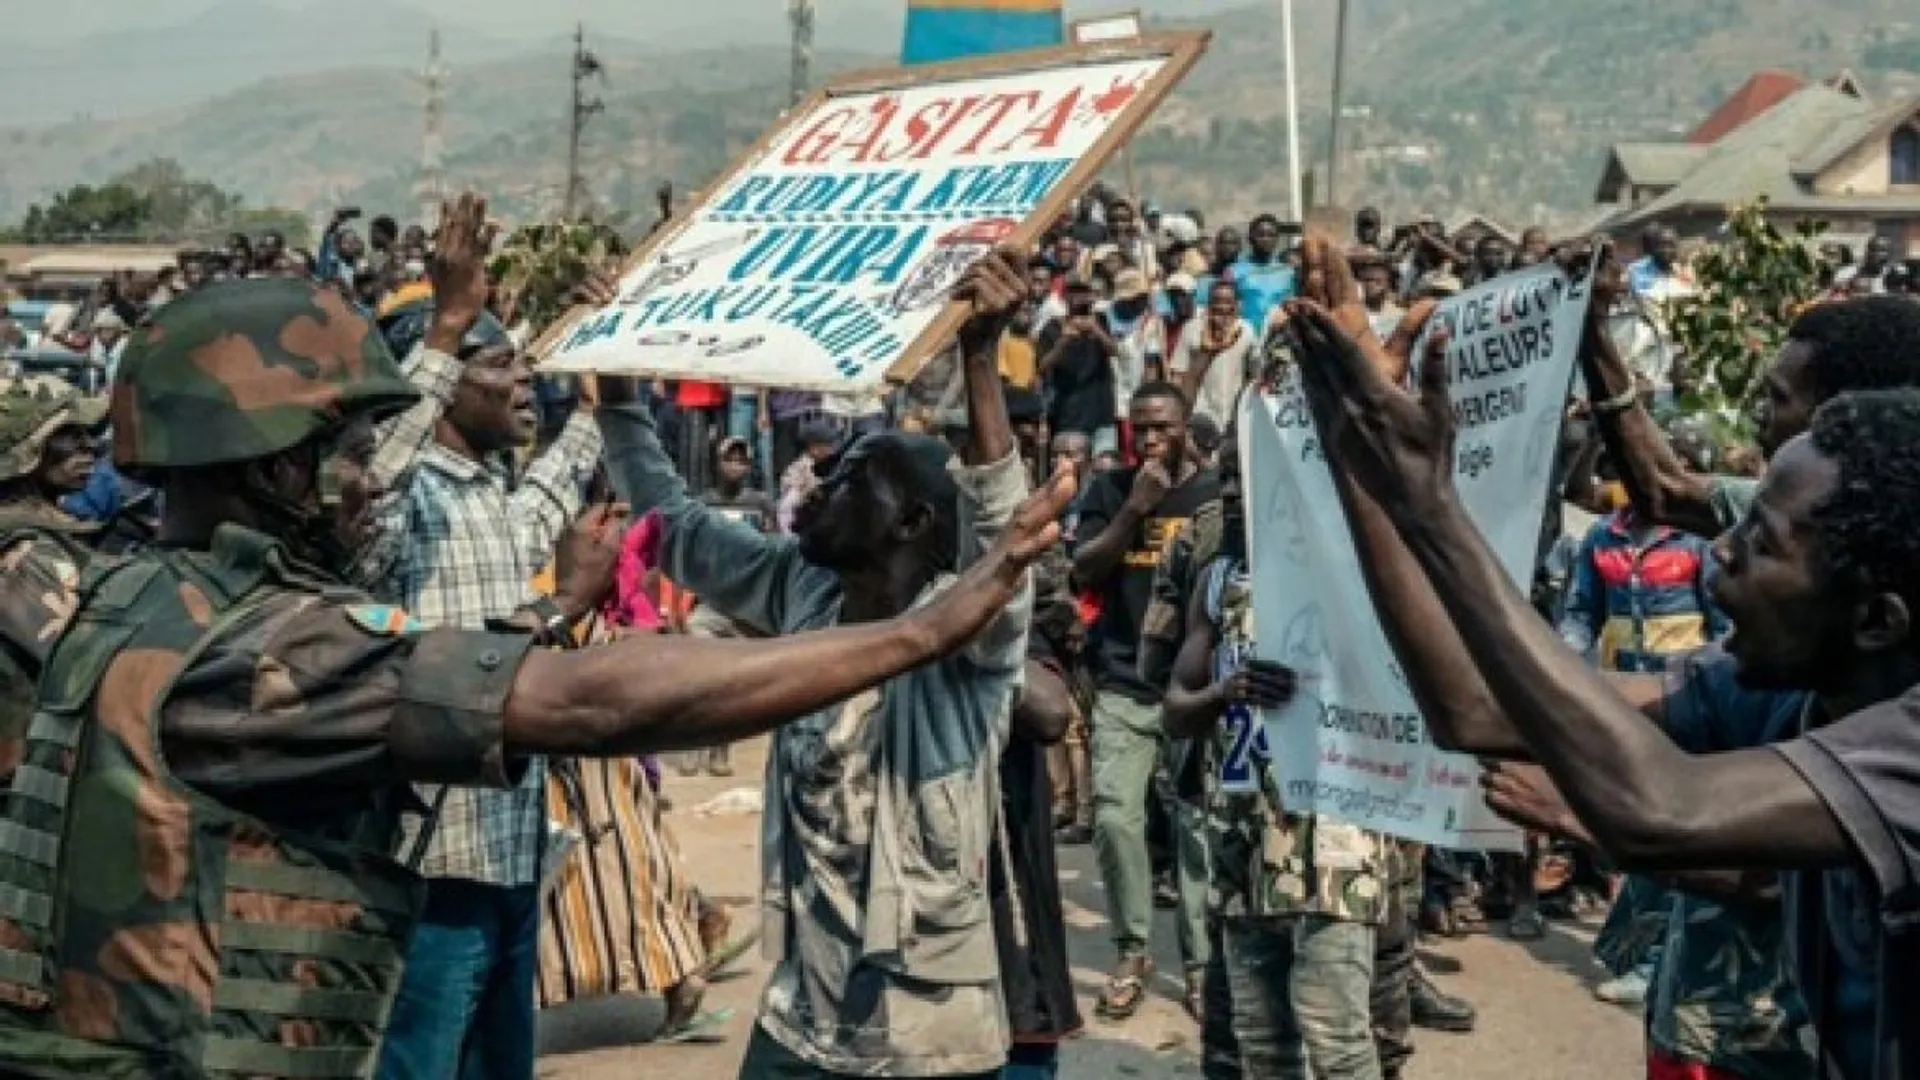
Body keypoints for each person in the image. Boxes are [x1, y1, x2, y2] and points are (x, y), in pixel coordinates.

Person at [0, 273, 1070, 1080]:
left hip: (917, 1022)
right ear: (281, 470)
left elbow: (988, 546)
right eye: (353, 451)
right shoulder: (272, 641)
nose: (373, 479)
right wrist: (919, 637)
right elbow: (589, 700)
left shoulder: (119, 591)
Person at [1285, 271, 1919, 1080]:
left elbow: (1662, 810)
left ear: (1876, 619)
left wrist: (1431, 507)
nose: (1715, 551)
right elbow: (1474, 708)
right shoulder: (1789, 687)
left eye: (1757, 544)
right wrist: (1368, 469)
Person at [602, 247, 1065, 1078]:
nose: (817, 482)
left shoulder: (965, 632)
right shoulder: (800, 588)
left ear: (913, 522)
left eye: (852, 479)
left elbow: (1003, 545)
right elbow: (669, 520)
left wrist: (980, 360)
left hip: (927, 1034)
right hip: (800, 1018)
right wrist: (613, 380)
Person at [349, 195, 610, 1080]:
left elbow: (551, 497)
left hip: (509, 846)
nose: (521, 379)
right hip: (436, 863)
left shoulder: (489, 490)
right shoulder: (404, 498)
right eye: (499, 363)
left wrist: (604, 370)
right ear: (447, 379)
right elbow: (369, 483)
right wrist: (449, 320)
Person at [1163, 425, 1390, 1080]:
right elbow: (1175, 710)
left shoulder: (1348, 569)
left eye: (1246, 476)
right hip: (1240, 845)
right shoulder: (1216, 579)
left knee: (1337, 1040)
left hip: (1332, 848)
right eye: (1224, 475)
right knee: (1263, 1044)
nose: (1230, 492)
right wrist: (1222, 693)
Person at [1074, 381, 1220, 1021]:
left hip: (1196, 691)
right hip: (1123, 682)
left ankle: (1201, 967)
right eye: (1142, 428)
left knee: (1196, 833)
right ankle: (1132, 951)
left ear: (1187, 426)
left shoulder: (1217, 496)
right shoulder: (1110, 491)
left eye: (1164, 426)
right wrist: (1135, 510)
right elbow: (1083, 571)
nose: (1152, 438)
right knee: (1114, 818)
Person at [0, 377, 109, 774]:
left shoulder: (42, 532)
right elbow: (90, 666)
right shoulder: (24, 552)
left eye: (87, 435)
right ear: (26, 452)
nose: (88, 447)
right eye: (67, 437)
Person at [1040, 279, 1121, 457]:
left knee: (1105, 464)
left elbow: (1115, 351)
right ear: (1065, 297)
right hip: (1070, 415)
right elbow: (1042, 365)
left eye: (1084, 292)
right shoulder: (1053, 327)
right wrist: (1064, 341)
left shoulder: (1101, 319)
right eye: (1074, 292)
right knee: (1072, 470)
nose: (1080, 298)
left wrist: (1097, 331)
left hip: (1102, 413)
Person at [1171, 279, 1258, 428]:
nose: (1222, 306)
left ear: (1237, 305)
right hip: (1199, 415)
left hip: (1235, 417)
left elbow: (1255, 374)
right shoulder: (1191, 329)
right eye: (1217, 301)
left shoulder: (1246, 331)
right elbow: (1178, 374)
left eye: (1228, 301)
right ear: (1209, 303)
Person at [1232, 214, 1297, 336]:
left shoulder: (1288, 273)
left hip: (1280, 340)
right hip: (1244, 337)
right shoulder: (1234, 272)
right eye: (1260, 235)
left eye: (1271, 235)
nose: (1266, 239)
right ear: (1250, 238)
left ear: (1277, 239)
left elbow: (1294, 306)